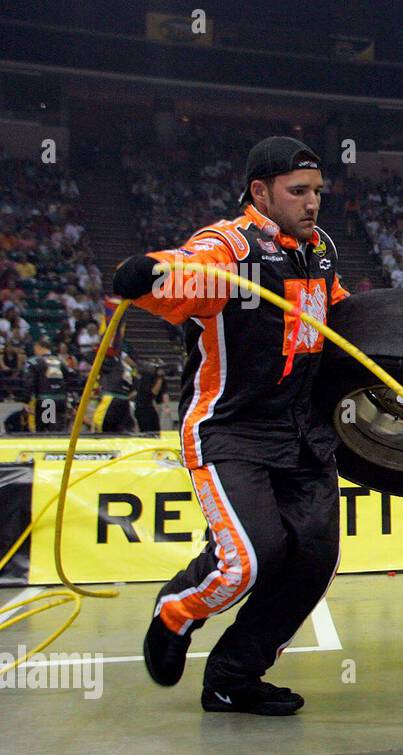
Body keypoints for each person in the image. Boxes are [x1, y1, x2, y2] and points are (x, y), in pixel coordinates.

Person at [112, 136, 349, 716]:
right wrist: (148, 273)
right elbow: (184, 274)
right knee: (249, 558)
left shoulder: (321, 251)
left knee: (312, 562)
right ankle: (176, 611)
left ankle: (232, 678)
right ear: (260, 192)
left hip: (303, 437)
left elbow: (342, 323)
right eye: (298, 192)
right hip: (232, 431)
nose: (312, 202)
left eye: (317, 191)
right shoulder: (226, 247)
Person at [24, 337, 69, 433]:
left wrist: (26, 400)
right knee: (59, 431)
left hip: (47, 400)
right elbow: (70, 378)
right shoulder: (61, 361)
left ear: (39, 347)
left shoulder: (35, 362)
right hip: (61, 400)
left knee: (46, 432)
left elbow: (29, 382)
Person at [133, 359, 167, 433]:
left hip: (149, 406)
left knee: (156, 430)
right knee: (147, 431)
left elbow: (164, 392)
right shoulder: (147, 378)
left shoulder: (156, 378)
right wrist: (160, 378)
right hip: (142, 408)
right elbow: (153, 392)